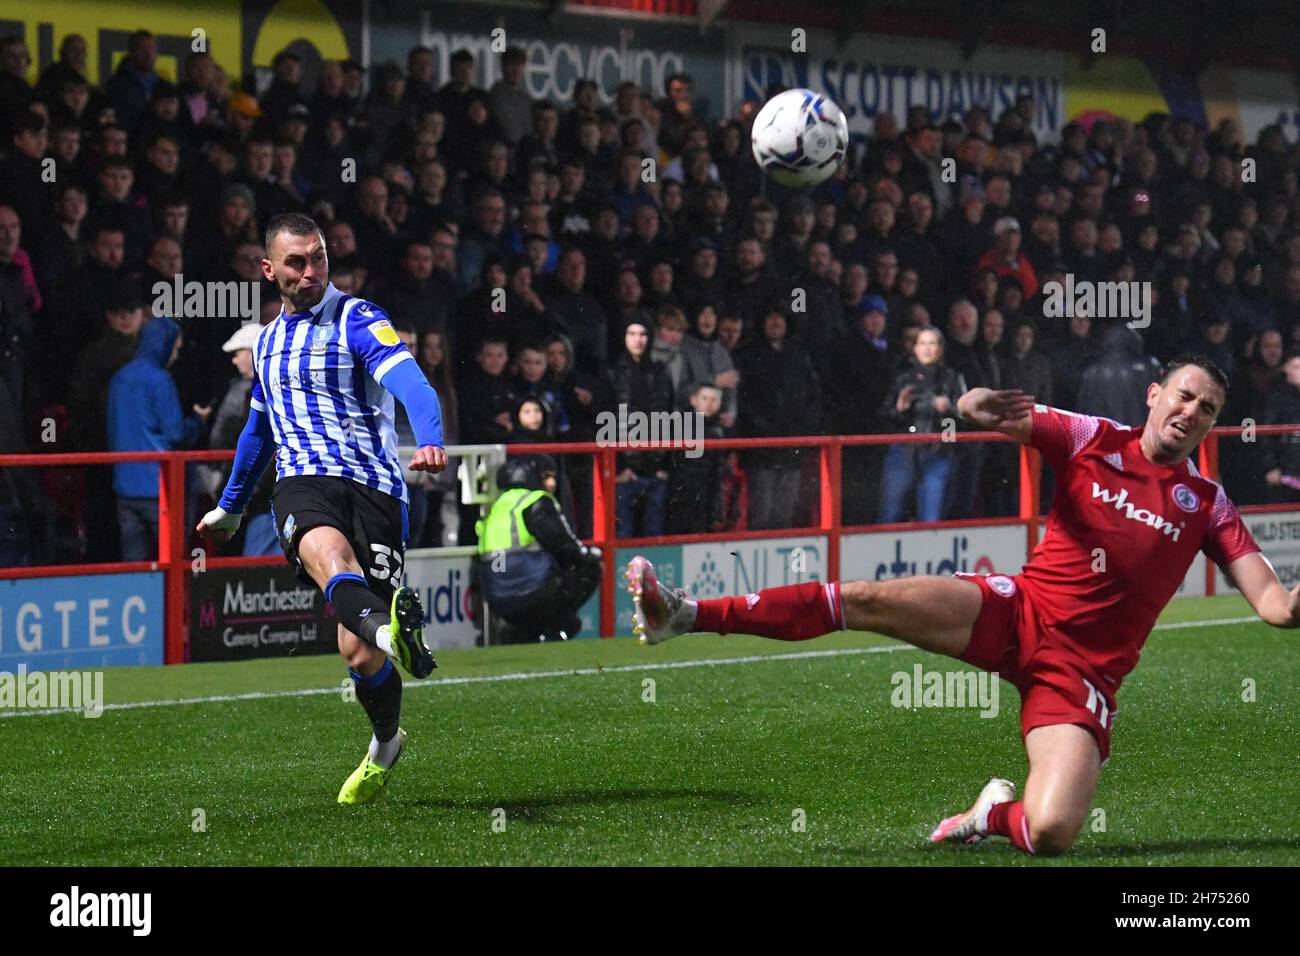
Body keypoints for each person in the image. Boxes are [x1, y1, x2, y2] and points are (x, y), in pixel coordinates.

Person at [625, 355, 1291, 857]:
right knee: (863, 598)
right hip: (1016, 612)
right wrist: (973, 399)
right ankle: (682, 615)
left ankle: (989, 815)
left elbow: (1276, 607)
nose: (1191, 412)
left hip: (1081, 676)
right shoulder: (1093, 437)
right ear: (1155, 395)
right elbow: (984, 412)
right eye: (1184, 395)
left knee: (1052, 832)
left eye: (1206, 408)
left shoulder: (1206, 503)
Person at [196, 212, 449, 807]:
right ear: (268, 270)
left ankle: (386, 740)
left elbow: (413, 382)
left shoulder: (359, 318)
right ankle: (396, 632)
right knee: (333, 565)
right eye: (295, 262)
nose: (310, 272)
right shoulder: (269, 342)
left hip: (376, 490)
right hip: (303, 484)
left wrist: (430, 435)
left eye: (319, 258)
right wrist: (231, 507)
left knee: (355, 651)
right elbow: (258, 434)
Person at [107, 316, 211, 561]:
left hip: (125, 486)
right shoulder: (160, 381)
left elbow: (112, 431)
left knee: (133, 565)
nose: (175, 355)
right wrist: (198, 421)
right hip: (160, 486)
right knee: (172, 561)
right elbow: (175, 434)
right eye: (174, 349)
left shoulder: (119, 378)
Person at [475, 456, 602, 643]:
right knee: (590, 567)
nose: (551, 483)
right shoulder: (535, 501)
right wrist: (589, 554)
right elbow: (565, 545)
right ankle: (554, 628)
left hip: (495, 597)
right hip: (531, 591)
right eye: (546, 477)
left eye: (554, 477)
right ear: (532, 476)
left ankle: (523, 633)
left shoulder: (496, 506)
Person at [877, 326, 965, 524]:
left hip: (938, 452)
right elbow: (885, 417)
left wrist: (948, 410)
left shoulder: (953, 378)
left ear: (940, 349)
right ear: (914, 348)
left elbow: (964, 418)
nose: (927, 348)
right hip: (903, 451)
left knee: (931, 517)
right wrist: (900, 409)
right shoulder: (903, 378)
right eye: (922, 343)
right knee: (890, 514)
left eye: (932, 343)